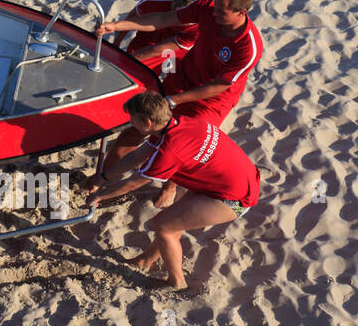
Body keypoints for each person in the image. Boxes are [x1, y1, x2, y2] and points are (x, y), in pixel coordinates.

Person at [95, 0, 263, 194]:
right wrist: (118, 26)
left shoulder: (248, 46)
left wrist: (173, 100)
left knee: (180, 146)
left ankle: (170, 187)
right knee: (140, 126)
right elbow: (164, 19)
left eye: (222, 13)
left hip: (212, 99)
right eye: (216, 8)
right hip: (182, 78)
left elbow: (219, 86)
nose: (215, 15)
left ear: (242, 12)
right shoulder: (207, 7)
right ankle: (103, 178)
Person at [86, 91, 260, 289]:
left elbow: (133, 183)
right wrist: (103, 178)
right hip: (234, 180)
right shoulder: (180, 122)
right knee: (174, 219)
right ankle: (146, 260)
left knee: (163, 225)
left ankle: (177, 281)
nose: (130, 122)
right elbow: (137, 156)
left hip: (235, 198)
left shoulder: (169, 150)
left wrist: (98, 196)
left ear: (147, 123)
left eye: (132, 119)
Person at [120, 0, 201, 72]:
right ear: (173, 7)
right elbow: (129, 21)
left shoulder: (199, 25)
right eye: (180, 16)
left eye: (187, 20)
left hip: (179, 39)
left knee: (172, 71)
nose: (181, 22)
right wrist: (116, 43)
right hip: (153, 30)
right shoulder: (154, 2)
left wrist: (129, 60)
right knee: (130, 65)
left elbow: (159, 49)